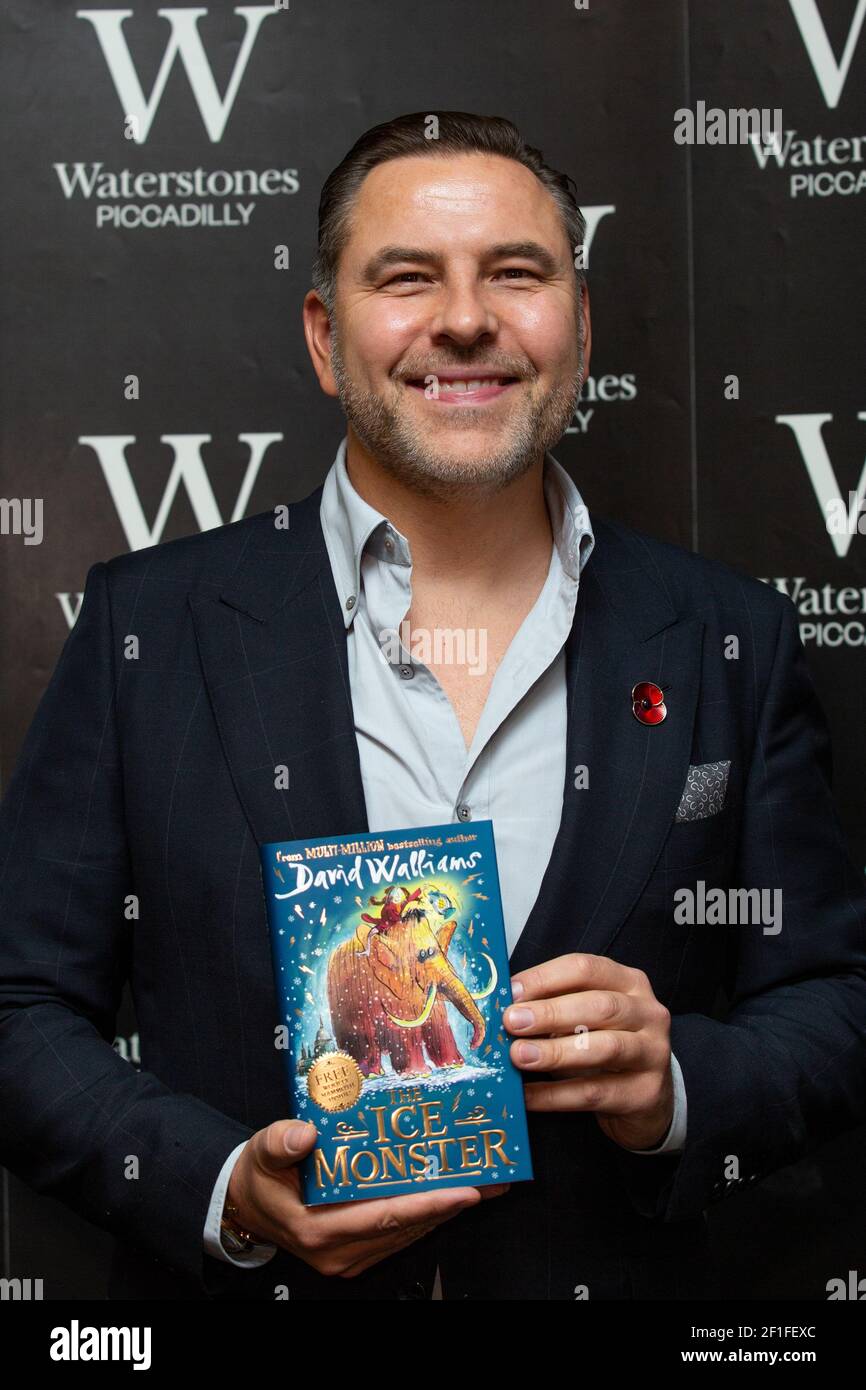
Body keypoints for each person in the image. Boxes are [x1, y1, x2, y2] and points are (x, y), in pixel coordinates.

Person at [1, 111, 864, 1302]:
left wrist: (676, 1089)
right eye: (406, 278)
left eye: (516, 272)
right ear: (321, 334)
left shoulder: (728, 639)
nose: (465, 317)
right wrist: (216, 1188)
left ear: (579, 324)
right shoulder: (151, 628)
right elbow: (21, 1004)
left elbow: (830, 999)